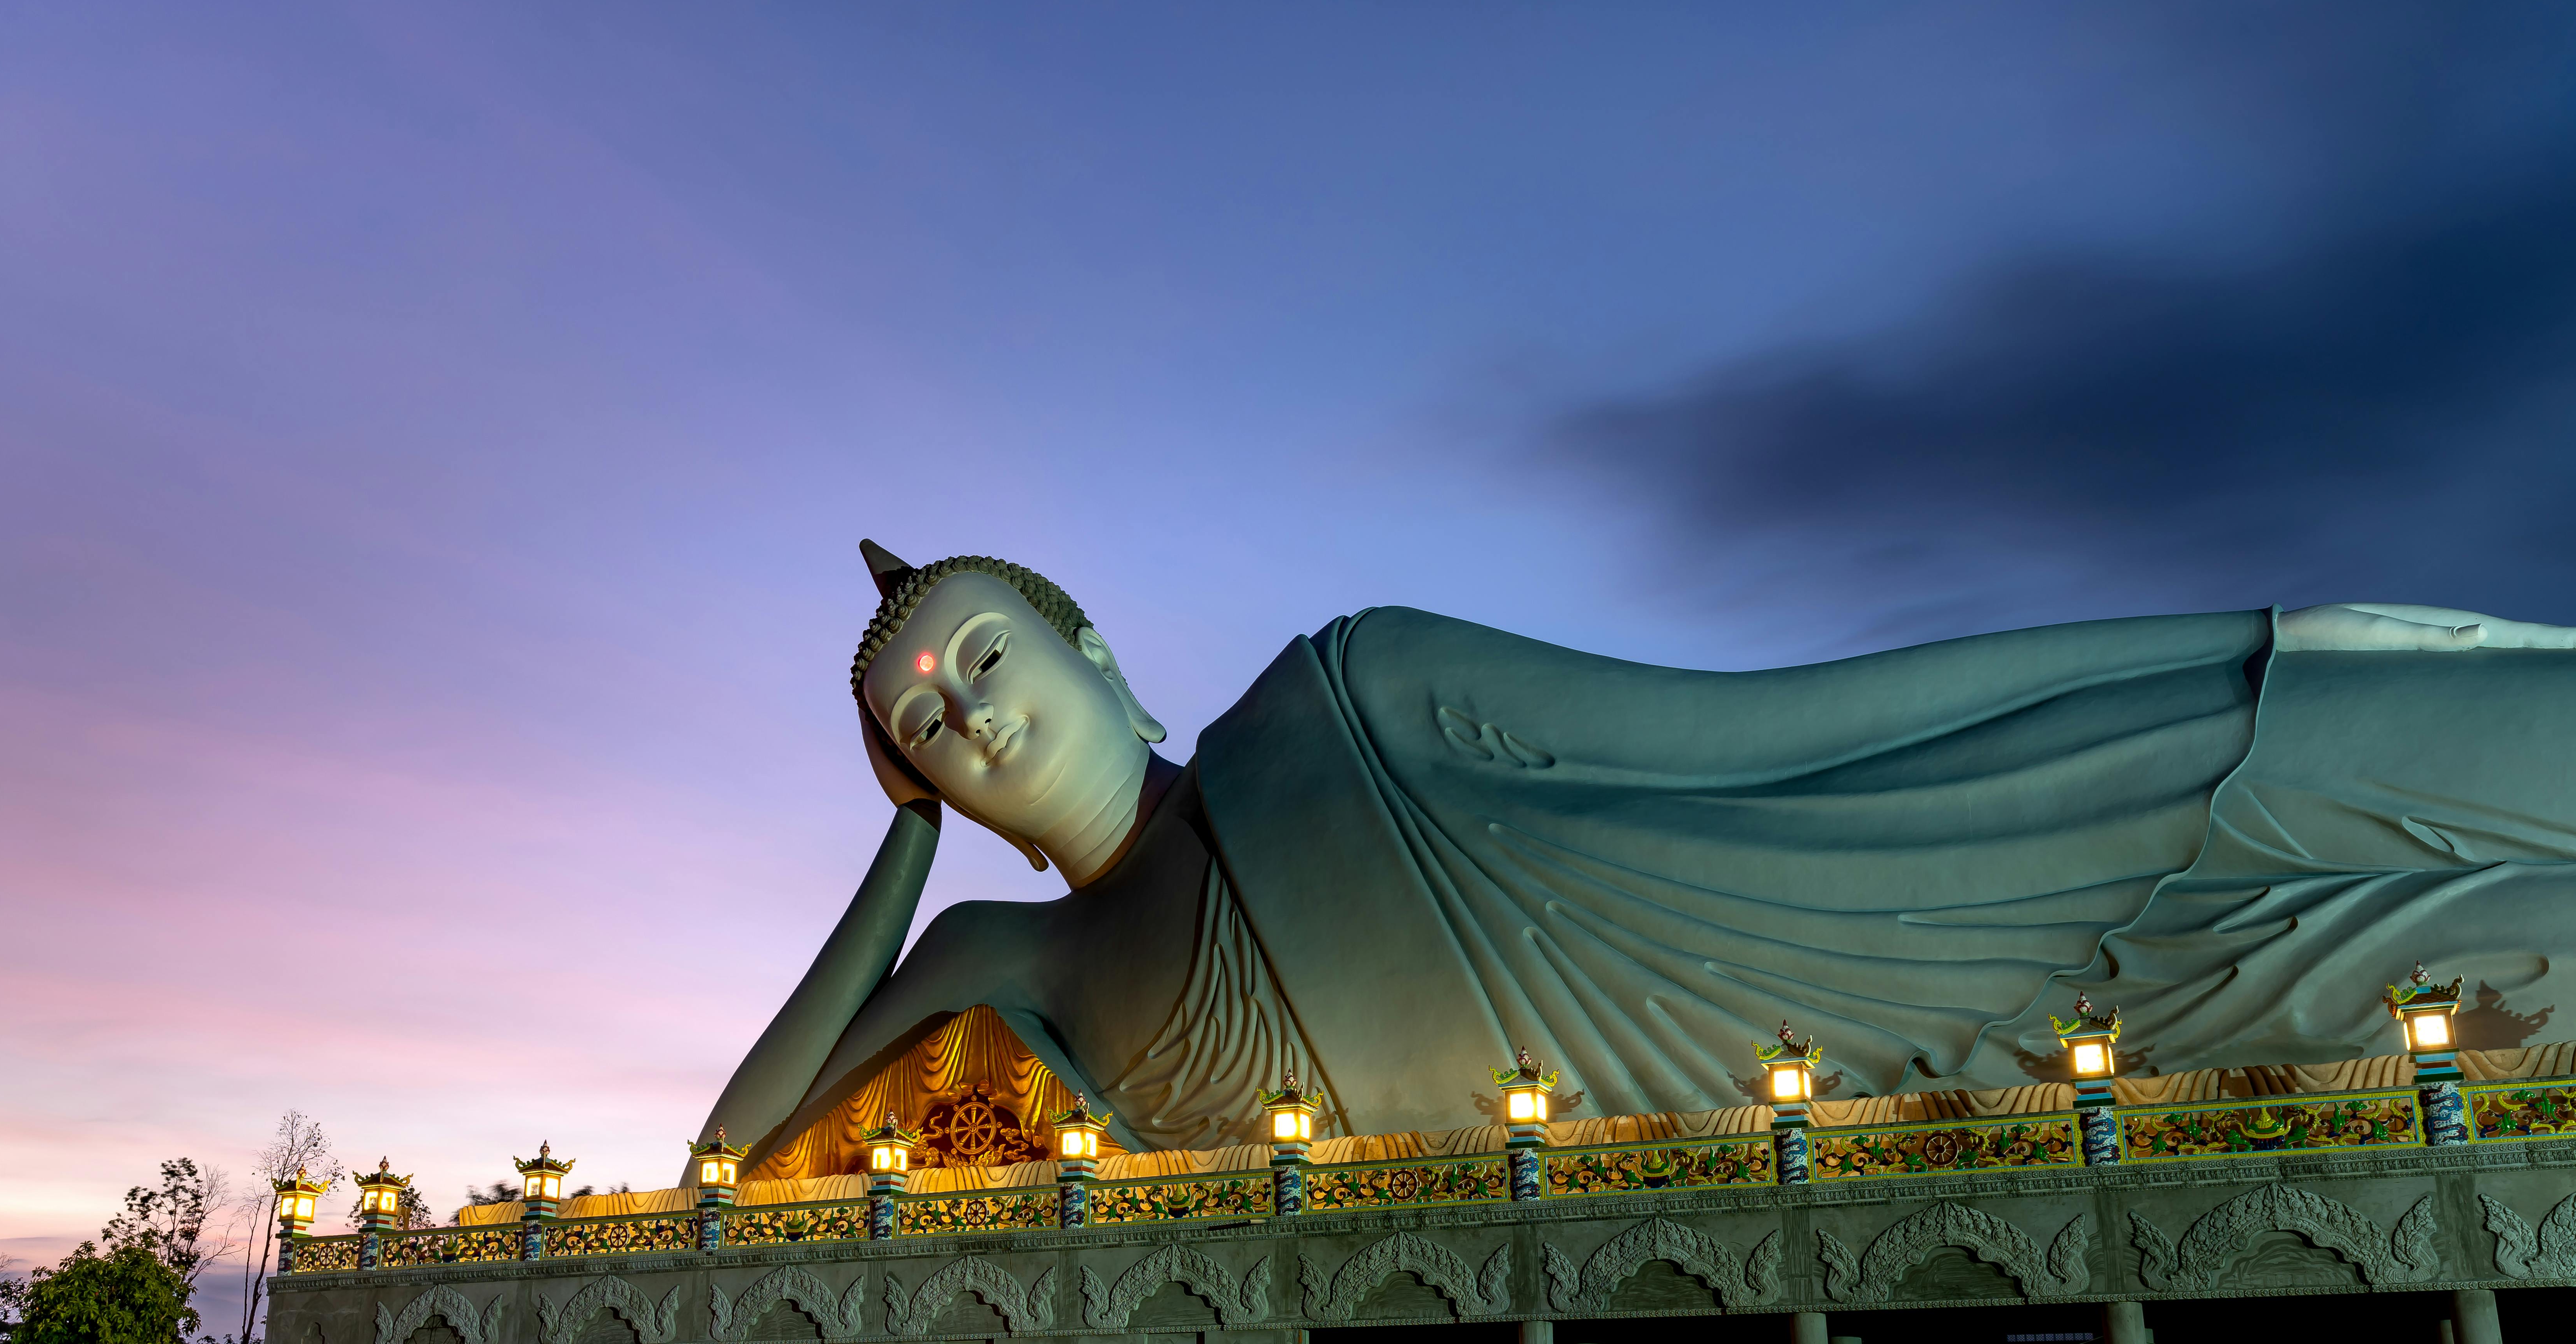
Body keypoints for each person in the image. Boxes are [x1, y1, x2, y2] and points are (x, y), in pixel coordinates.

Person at [702, 541, 2576, 1165]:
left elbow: (1794, 730)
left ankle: (2278, 705)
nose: (959, 713)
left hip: (1851, 944)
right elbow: (732, 1154)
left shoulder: (1350, 692)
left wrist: (2217, 648)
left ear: (1095, 645)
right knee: (2473, 959)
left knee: (2349, 776)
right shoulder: (1006, 965)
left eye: (983, 657)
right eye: (917, 721)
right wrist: (897, 849)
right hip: (1732, 1126)